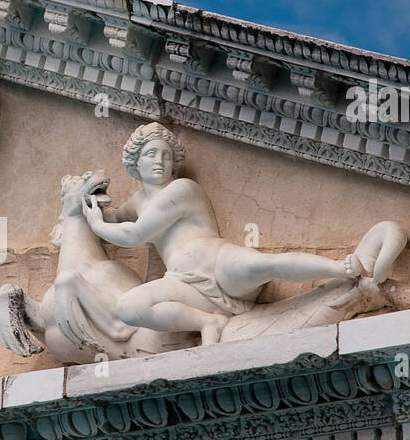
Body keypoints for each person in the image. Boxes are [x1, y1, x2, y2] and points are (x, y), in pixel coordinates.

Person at [82, 122, 368, 345]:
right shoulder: (138, 202)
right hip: (184, 283)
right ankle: (208, 322)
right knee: (129, 308)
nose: (159, 161)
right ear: (136, 162)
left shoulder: (182, 189)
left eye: (166, 155)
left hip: (216, 263)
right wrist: (84, 205)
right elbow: (115, 220)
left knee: (264, 265)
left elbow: (133, 234)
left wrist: (96, 225)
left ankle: (337, 268)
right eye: (151, 154)